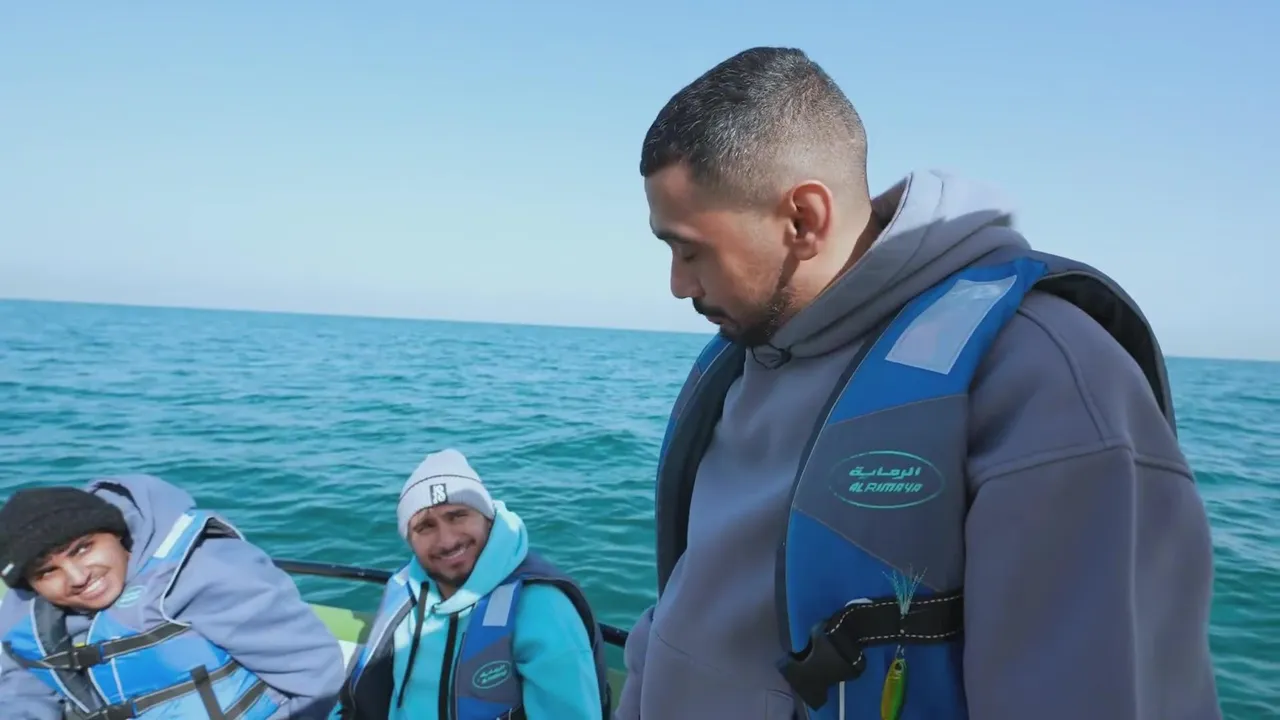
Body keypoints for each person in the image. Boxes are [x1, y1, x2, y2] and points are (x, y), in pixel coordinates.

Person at [616, 46, 1221, 720]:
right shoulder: (744, 356)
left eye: (690, 249)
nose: (677, 285)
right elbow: (685, 607)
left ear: (804, 219)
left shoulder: (1049, 376)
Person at [0, 473, 347, 720]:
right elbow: (21, 697)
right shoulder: (24, 618)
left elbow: (316, 679)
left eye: (83, 548)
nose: (77, 578)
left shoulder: (205, 572)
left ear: (115, 533)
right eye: (47, 572)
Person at [338, 448, 610, 720]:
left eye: (457, 516)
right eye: (426, 526)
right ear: (410, 540)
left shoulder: (541, 606)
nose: (447, 541)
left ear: (488, 519)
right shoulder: (404, 590)